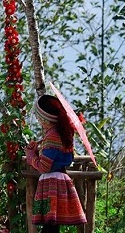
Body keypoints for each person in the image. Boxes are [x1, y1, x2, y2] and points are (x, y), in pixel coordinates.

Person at [24, 94, 87, 232]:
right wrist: (39, 150)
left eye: (38, 117)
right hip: (60, 181)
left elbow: (44, 167)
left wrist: (30, 155)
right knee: (52, 226)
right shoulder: (62, 134)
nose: (37, 119)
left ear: (44, 119)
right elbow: (66, 158)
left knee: (49, 225)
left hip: (51, 184)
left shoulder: (52, 136)